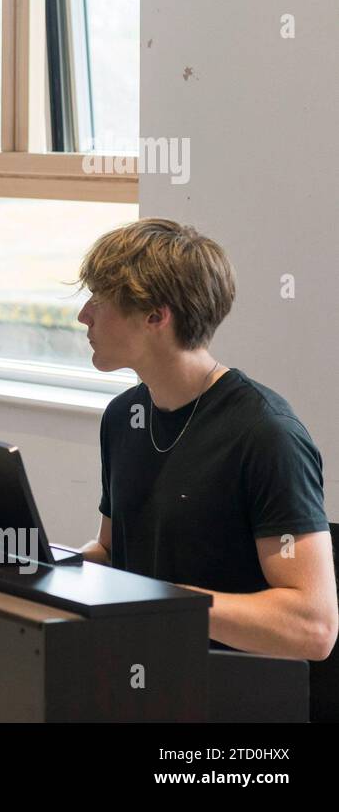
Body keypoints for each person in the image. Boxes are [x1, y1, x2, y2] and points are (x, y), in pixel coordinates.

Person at [76, 218, 337, 661]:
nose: (83, 315)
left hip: (229, 690)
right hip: (144, 669)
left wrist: (170, 603)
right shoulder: (124, 417)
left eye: (99, 300)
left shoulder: (266, 434)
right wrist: (43, 566)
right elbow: (111, 551)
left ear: (156, 315)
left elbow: (313, 627)